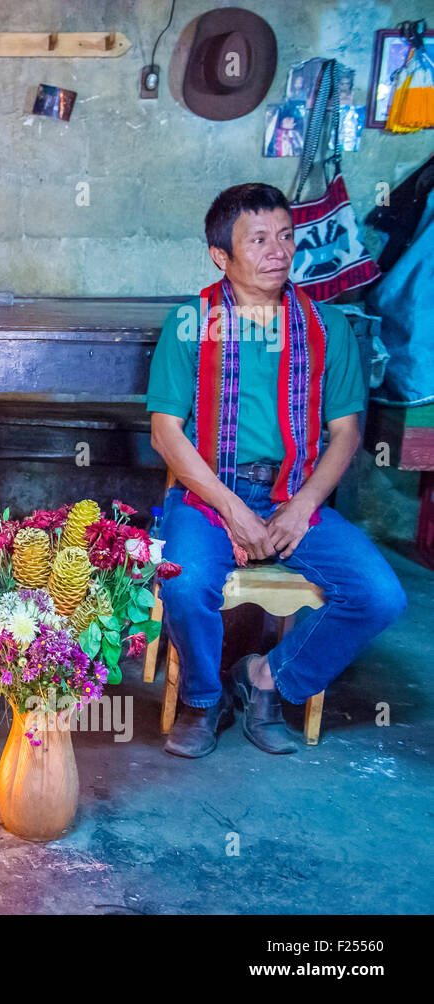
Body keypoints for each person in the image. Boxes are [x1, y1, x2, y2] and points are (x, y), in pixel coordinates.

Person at [146, 183, 406, 758]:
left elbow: (346, 434)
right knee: (184, 584)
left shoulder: (328, 328)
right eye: (259, 239)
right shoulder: (191, 322)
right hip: (209, 498)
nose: (279, 250)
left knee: (380, 595)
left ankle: (265, 679)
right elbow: (167, 433)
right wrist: (233, 510)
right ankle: (201, 699)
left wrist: (304, 505)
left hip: (294, 495)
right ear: (221, 255)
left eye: (286, 236)